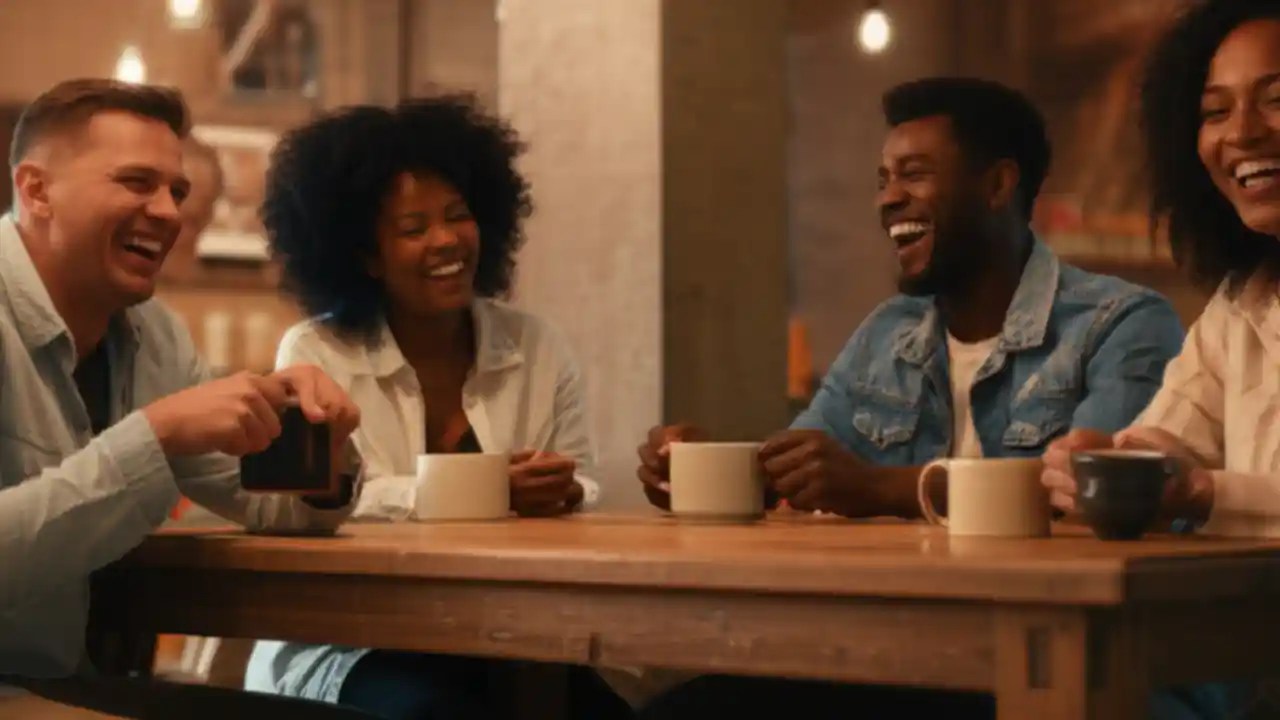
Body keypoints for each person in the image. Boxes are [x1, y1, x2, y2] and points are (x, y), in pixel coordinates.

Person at [636, 77, 1187, 718]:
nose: (889, 198)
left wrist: (881, 489)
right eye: (883, 180)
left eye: (914, 174)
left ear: (998, 185)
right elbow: (803, 467)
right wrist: (707, 473)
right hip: (908, 660)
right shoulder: (887, 333)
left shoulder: (1121, 324)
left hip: (1068, 669)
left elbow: (1097, 500)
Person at [243, 95, 630, 719]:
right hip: (353, 641)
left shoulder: (537, 345)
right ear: (365, 256)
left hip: (508, 637)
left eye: (458, 216)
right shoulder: (315, 351)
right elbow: (321, 503)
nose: (446, 240)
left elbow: (582, 482)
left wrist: (563, 491)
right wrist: (485, 489)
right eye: (413, 228)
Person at [0, 79, 363, 715]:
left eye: (177, 191)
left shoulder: (154, 335)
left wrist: (313, 450)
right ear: (36, 191)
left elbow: (261, 501)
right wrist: (155, 435)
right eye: (136, 182)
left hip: (63, 681)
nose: (169, 212)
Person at [1044, 2, 1280, 716]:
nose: (1241, 133)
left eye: (1276, 99)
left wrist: (1205, 493)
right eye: (1214, 111)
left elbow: (1196, 485)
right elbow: (1170, 438)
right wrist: (1109, 460)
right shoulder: (1243, 303)